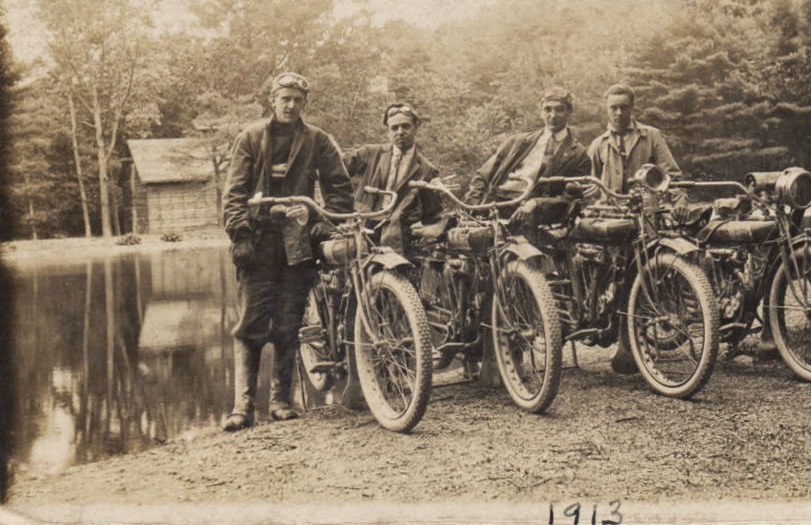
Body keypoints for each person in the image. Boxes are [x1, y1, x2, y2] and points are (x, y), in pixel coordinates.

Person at [221, 71, 354, 431]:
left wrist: (318, 219)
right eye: (285, 99)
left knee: (288, 323)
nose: (291, 105)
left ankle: (281, 400)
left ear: (305, 103)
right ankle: (242, 407)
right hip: (258, 243)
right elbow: (233, 194)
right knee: (249, 324)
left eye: (298, 99)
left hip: (298, 245)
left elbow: (340, 189)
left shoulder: (318, 140)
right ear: (273, 101)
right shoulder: (250, 138)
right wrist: (241, 234)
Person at [587, 83, 690, 374]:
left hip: (646, 221)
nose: (619, 113)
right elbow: (587, 187)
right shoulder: (598, 145)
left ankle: (632, 345)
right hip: (611, 223)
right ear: (606, 109)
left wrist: (680, 197)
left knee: (642, 279)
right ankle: (615, 335)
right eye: (613, 108)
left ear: (633, 108)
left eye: (624, 107)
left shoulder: (651, 136)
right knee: (613, 280)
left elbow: (672, 175)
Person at [464, 86, 590, 224]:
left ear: (569, 111)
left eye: (559, 109)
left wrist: (537, 203)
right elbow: (482, 176)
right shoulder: (517, 142)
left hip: (531, 215)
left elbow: (570, 199)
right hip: (494, 206)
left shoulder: (579, 154)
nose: (553, 115)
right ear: (541, 112)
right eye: (547, 109)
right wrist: (474, 205)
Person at [345, 103, 444, 253]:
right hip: (362, 229)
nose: (400, 132)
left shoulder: (426, 170)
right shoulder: (369, 154)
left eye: (406, 126)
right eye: (394, 128)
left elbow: (433, 214)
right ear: (388, 131)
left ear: (416, 127)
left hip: (399, 239)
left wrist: (428, 233)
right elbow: (335, 170)